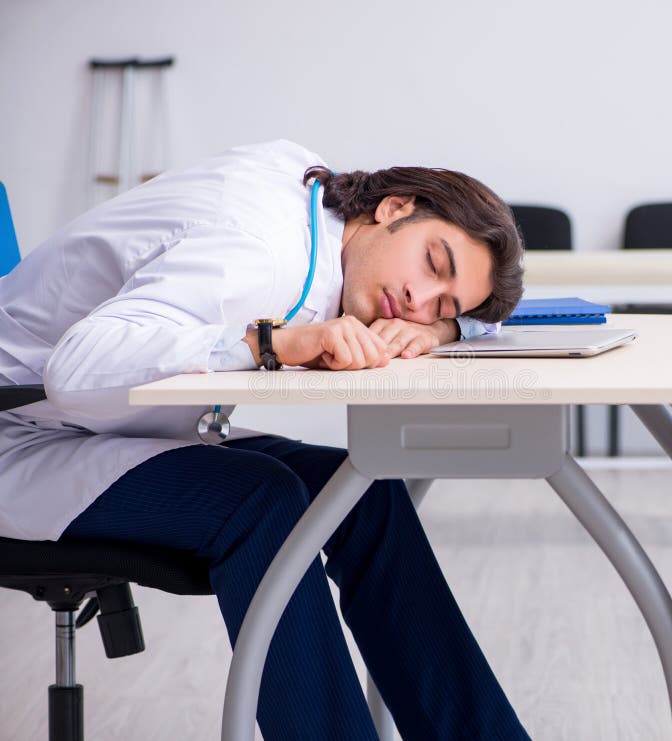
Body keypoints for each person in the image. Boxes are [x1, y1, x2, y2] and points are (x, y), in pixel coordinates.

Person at [0, 139, 528, 739]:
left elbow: (498, 315)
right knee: (264, 500)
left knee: (360, 491)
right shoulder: (256, 251)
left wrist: (446, 327)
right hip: (21, 436)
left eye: (442, 303)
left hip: (108, 428)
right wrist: (268, 344)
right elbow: (75, 369)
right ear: (393, 207)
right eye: (433, 265)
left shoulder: (320, 201)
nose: (419, 302)